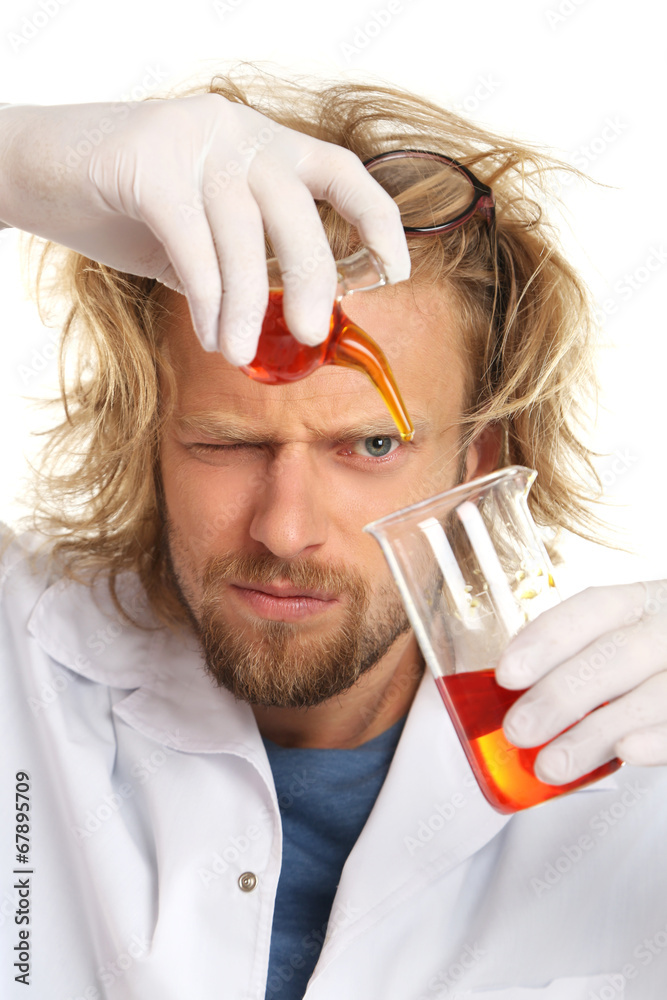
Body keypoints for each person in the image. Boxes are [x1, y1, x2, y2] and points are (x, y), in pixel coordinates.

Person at [0, 67, 666, 1000]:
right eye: (225, 441)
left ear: (479, 462)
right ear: (147, 439)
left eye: (371, 443)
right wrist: (18, 158)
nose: (285, 527)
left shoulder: (635, 774)